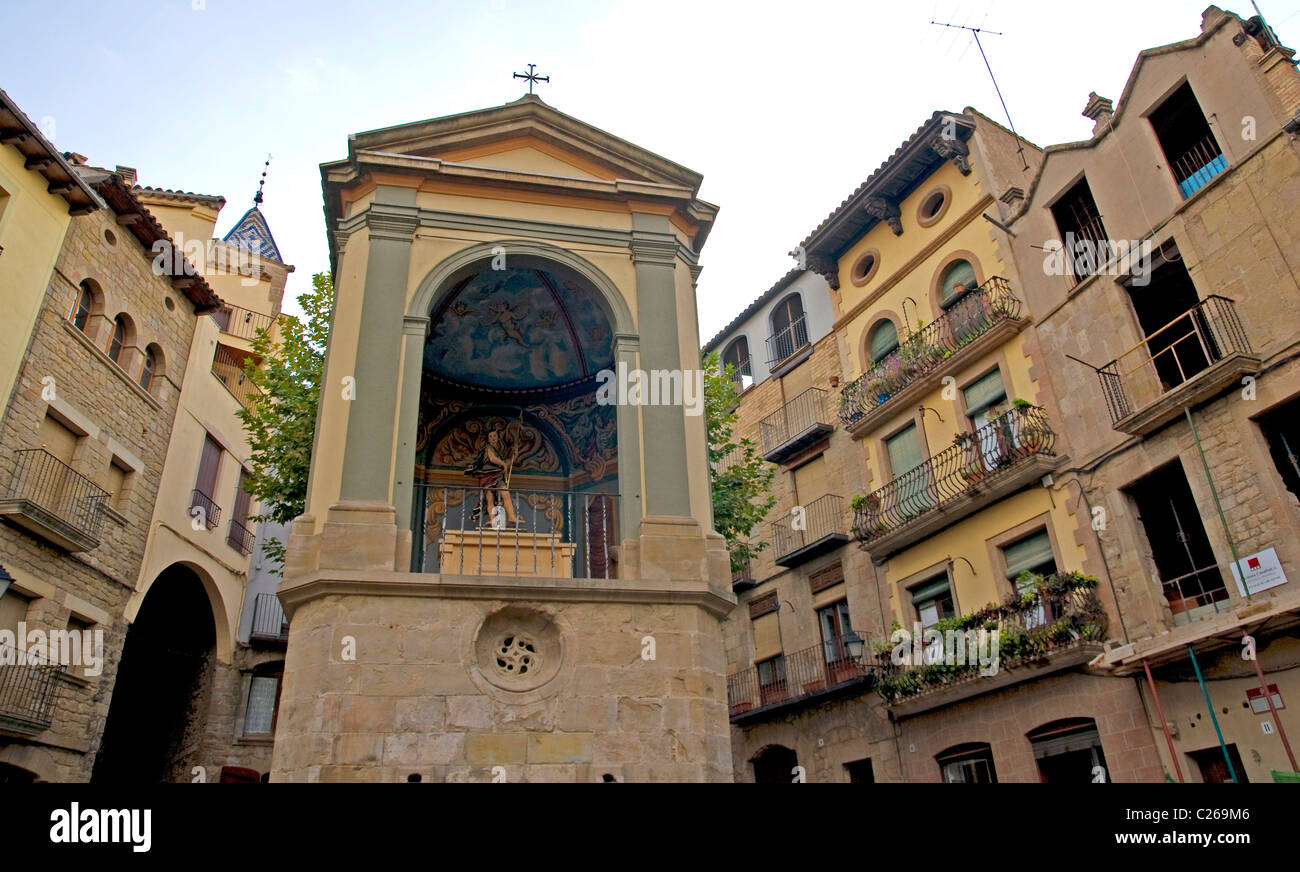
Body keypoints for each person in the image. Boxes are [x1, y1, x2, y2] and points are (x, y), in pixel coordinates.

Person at [465, 426, 521, 527]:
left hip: (498, 475)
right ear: (488, 439)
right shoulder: (488, 448)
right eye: (490, 436)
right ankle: (492, 520)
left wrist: (514, 456)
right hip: (487, 475)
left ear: (498, 438)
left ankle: (512, 516)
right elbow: (492, 458)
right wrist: (503, 465)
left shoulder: (498, 451)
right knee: (489, 498)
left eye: (494, 436)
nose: (493, 438)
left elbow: (507, 463)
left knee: (505, 493)